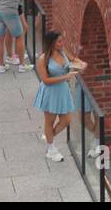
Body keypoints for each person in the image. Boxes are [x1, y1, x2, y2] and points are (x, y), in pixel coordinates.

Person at [33, 31, 86, 162]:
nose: (62, 43)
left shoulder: (63, 51)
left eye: (62, 41)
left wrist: (81, 64)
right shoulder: (43, 59)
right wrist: (66, 77)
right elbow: (45, 80)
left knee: (66, 120)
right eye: (59, 41)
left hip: (62, 90)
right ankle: (51, 149)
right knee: (49, 121)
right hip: (50, 92)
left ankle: (49, 137)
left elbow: (74, 60)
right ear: (51, 43)